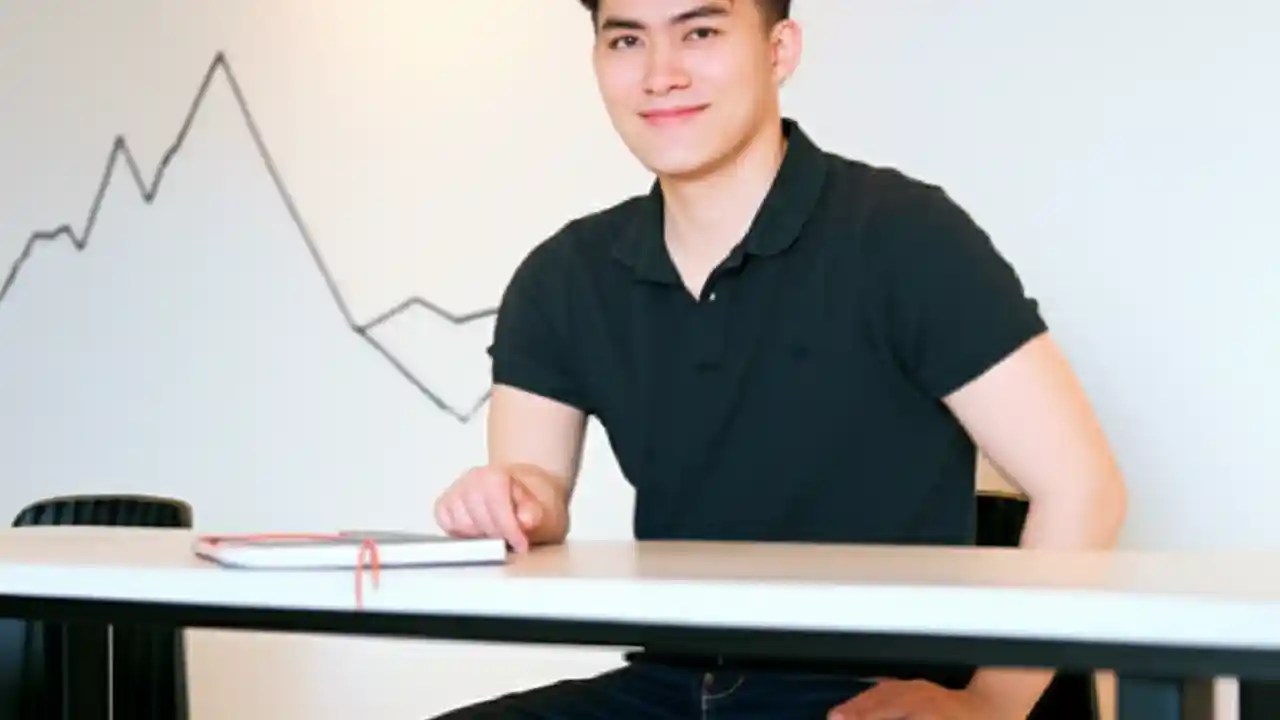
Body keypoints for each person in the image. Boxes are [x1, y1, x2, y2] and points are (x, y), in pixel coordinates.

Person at [430, 0, 1128, 717]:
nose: (660, 74)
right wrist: (511, 500)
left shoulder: (903, 234)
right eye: (628, 40)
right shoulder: (564, 276)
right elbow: (535, 488)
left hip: (860, 690)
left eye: (699, 32)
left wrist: (993, 704)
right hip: (671, 683)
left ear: (779, 50)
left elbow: (1081, 486)